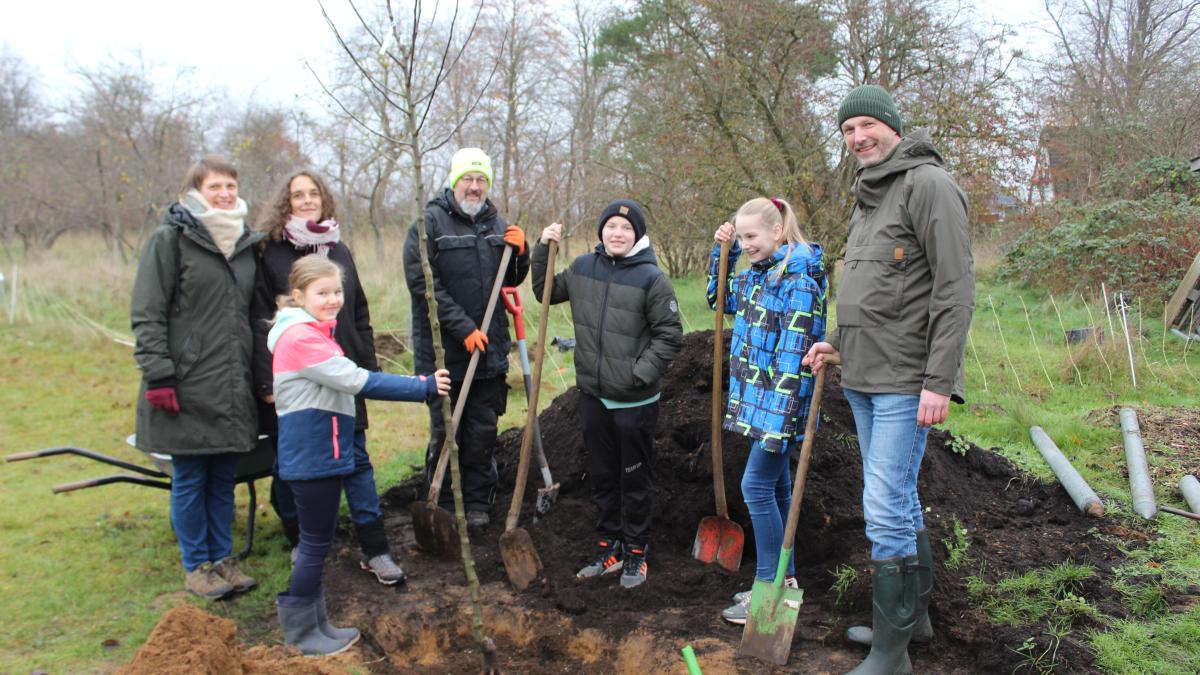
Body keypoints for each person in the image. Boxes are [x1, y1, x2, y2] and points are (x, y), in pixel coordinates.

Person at [803, 85, 975, 675]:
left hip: (907, 379)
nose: (857, 138)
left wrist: (939, 380)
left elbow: (954, 290)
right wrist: (839, 343)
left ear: (894, 127)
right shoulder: (869, 195)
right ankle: (912, 621)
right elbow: (878, 290)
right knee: (895, 498)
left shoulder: (929, 186)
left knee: (882, 503)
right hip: (864, 373)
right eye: (848, 130)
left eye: (867, 125)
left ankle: (891, 651)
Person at [269, 254, 450, 656]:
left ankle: (317, 625)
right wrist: (421, 385)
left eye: (337, 291)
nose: (333, 299)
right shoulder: (300, 338)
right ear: (298, 295)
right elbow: (356, 380)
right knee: (315, 543)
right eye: (322, 293)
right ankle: (301, 635)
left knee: (318, 541)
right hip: (312, 455)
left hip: (321, 451)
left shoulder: (314, 331)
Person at [250, 170, 405, 585]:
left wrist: (369, 369)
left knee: (357, 461)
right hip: (298, 382)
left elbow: (359, 314)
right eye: (297, 195)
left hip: (346, 373)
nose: (305, 200)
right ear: (287, 203)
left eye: (312, 193)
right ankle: (302, 540)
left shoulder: (340, 249)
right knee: (293, 465)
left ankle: (375, 549)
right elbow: (262, 319)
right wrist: (267, 383)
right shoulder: (273, 253)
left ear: (324, 199)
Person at [131, 155, 263, 600]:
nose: (225, 194)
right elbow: (146, 314)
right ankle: (197, 565)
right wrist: (159, 375)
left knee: (223, 477)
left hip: (232, 383)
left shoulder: (244, 245)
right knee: (190, 478)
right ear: (195, 191)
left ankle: (224, 559)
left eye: (231, 186)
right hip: (185, 383)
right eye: (215, 187)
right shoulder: (170, 240)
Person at [533, 199, 682, 589]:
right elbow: (545, 292)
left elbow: (670, 335)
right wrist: (542, 249)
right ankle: (608, 547)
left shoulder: (652, 279)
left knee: (634, 478)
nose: (617, 233)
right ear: (601, 231)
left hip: (634, 401)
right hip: (594, 396)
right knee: (603, 477)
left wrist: (640, 374)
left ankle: (636, 551)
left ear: (638, 235)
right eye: (611, 226)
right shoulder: (583, 268)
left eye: (626, 228)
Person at [706, 197, 826, 624]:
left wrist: (778, 422)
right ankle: (785, 578)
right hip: (760, 403)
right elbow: (718, 300)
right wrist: (724, 253)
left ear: (778, 231)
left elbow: (795, 360)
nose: (747, 243)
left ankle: (767, 587)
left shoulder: (800, 283)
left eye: (751, 236)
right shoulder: (756, 275)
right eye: (741, 236)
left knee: (755, 487)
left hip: (782, 406)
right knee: (775, 490)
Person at [403, 147, 529, 533]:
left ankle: (476, 502)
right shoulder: (428, 225)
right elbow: (425, 287)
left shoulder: (497, 223)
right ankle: (441, 503)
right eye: (467, 179)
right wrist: (463, 329)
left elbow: (509, 282)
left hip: (488, 352)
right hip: (446, 353)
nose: (474, 187)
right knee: (447, 430)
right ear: (453, 181)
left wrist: (521, 254)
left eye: (480, 180)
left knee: (482, 429)